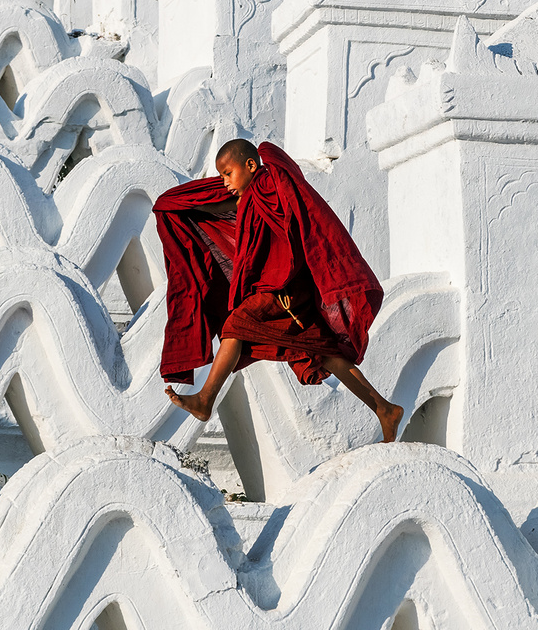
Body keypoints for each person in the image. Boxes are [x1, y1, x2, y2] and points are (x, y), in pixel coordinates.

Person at [152, 138, 405, 442]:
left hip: (283, 287)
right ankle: (384, 409)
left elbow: (293, 230)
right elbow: (172, 203)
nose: (224, 182)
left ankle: (205, 399)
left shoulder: (270, 184)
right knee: (323, 352)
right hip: (285, 290)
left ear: (250, 165)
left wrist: (283, 280)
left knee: (235, 325)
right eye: (220, 176)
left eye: (228, 174)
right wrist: (215, 192)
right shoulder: (248, 196)